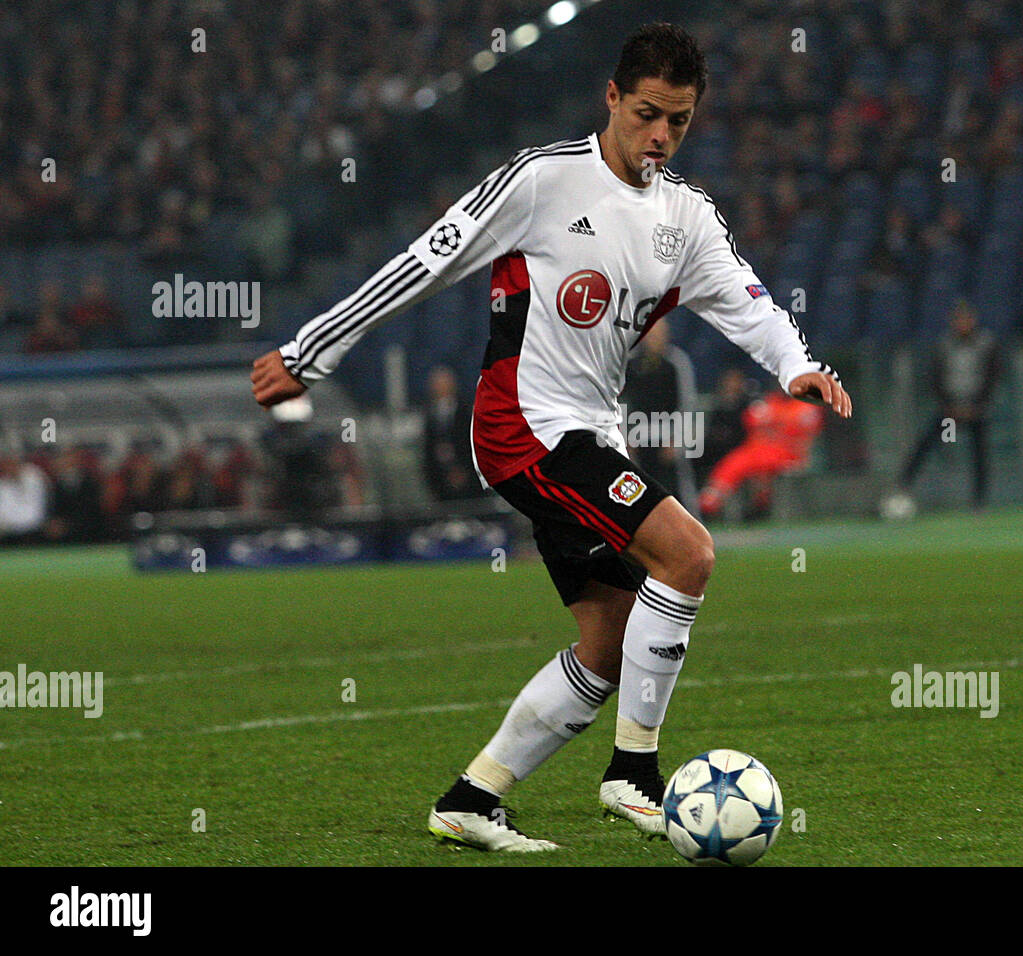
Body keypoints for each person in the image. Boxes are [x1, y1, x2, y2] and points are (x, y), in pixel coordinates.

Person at [251, 22, 852, 852]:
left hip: (590, 436)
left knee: (609, 641)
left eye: (678, 121)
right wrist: (312, 349)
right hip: (520, 427)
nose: (659, 136)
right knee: (688, 554)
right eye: (646, 113)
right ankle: (633, 775)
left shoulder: (685, 217)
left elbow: (748, 306)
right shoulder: (542, 182)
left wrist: (797, 367)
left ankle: (473, 798)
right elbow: (423, 262)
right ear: (610, 96)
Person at [895, 300, 1000, 508]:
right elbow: (935, 377)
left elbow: (993, 375)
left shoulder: (986, 343)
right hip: (950, 410)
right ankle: (902, 486)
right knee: (927, 443)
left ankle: (979, 499)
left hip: (976, 409)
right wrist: (948, 405)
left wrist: (978, 404)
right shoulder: (944, 344)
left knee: (979, 452)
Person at [697, 389, 824, 520]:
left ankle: (754, 502)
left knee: (756, 460)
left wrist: (774, 427)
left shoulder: (805, 408)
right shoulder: (769, 402)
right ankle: (713, 497)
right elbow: (752, 422)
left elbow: (803, 441)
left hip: (789, 454)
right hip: (758, 452)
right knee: (737, 459)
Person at [620, 318, 699, 505]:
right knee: (636, 487)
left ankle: (691, 523)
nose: (656, 339)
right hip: (637, 436)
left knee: (678, 486)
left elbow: (686, 403)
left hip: (668, 434)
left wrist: (677, 439)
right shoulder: (630, 364)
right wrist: (624, 438)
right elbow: (621, 402)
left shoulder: (676, 363)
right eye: (652, 335)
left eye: (660, 333)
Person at [421, 366, 482, 503]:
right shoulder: (430, 415)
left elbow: (472, 444)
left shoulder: (467, 412)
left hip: (469, 480)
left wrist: (463, 470)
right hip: (441, 482)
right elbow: (429, 449)